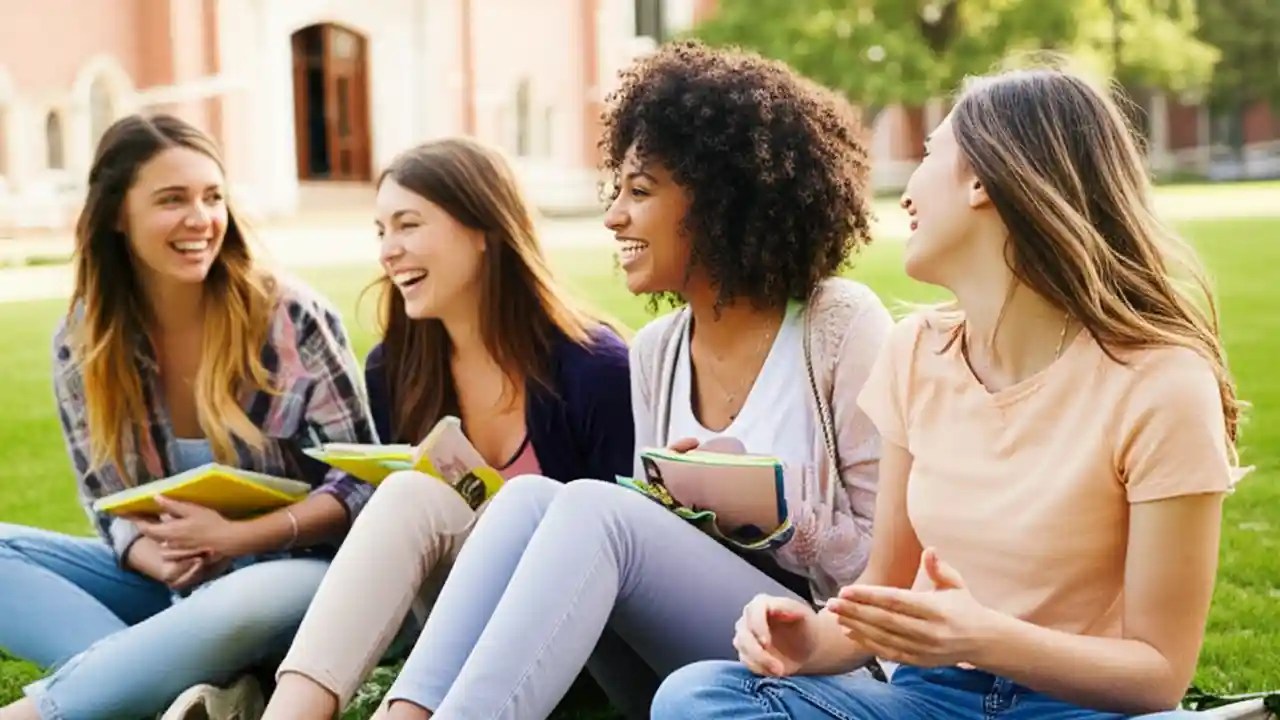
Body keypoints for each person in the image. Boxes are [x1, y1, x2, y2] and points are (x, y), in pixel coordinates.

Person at [651, 66, 1244, 720]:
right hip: (925, 700)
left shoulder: (1161, 382)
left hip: (1077, 708)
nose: (906, 191)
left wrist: (985, 638)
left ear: (982, 183)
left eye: (929, 155)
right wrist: (808, 639)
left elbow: (1159, 674)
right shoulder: (917, 354)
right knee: (697, 696)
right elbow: (886, 587)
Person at [371, 40, 893, 720]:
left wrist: (781, 517)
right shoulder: (656, 352)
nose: (614, 215)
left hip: (832, 659)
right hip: (690, 667)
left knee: (594, 510)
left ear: (721, 200)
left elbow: (889, 574)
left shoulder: (837, 326)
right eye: (614, 190)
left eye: (639, 191)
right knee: (528, 501)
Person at [0, 113, 379, 720]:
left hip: (301, 576)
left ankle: (54, 708)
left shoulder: (292, 317)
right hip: (174, 582)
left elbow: (363, 483)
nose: (200, 219)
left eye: (212, 197)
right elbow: (107, 501)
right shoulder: (83, 340)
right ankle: (190, 689)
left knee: (229, 606)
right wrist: (154, 557)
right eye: (172, 200)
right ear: (117, 215)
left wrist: (242, 537)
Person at [260, 137, 634, 719]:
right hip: (451, 633)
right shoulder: (395, 368)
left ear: (483, 229)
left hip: (567, 638)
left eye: (408, 225)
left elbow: (621, 543)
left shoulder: (594, 368)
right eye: (380, 231)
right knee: (410, 490)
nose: (389, 251)